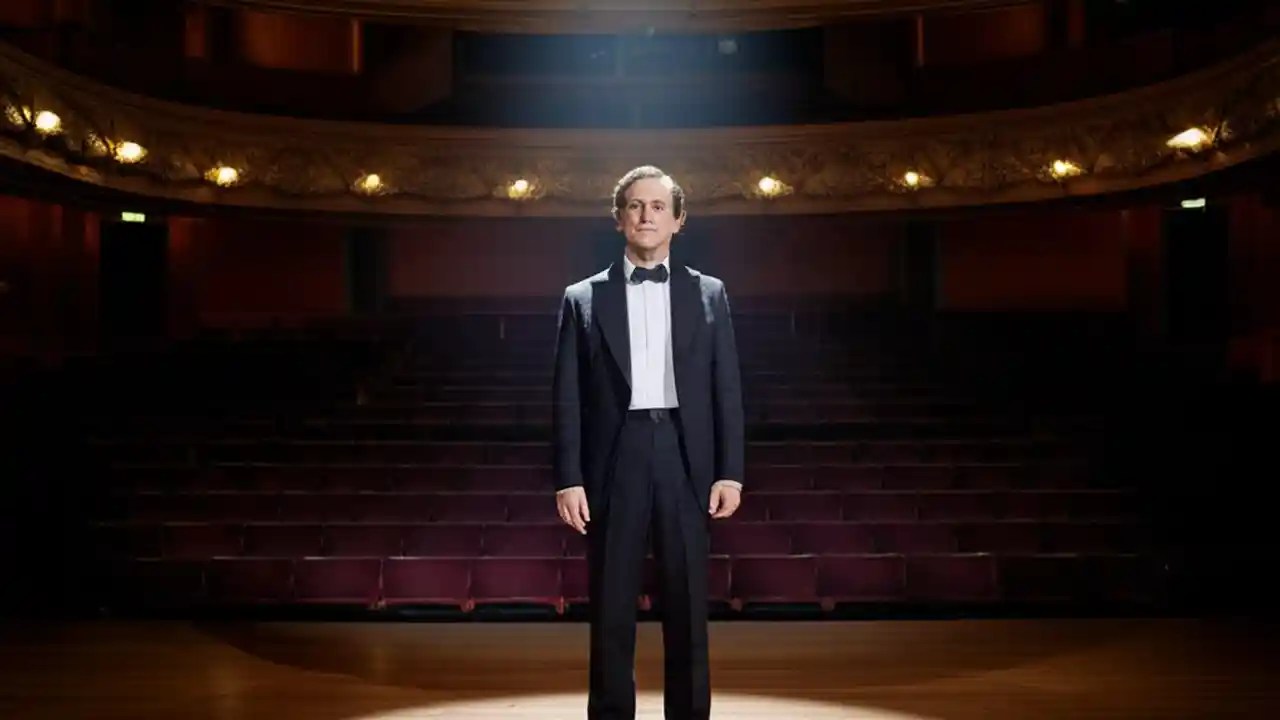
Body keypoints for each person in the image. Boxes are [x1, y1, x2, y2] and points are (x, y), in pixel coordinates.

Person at [552, 165, 745, 720]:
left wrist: (730, 470)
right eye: (635, 205)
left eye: (658, 206)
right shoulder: (581, 297)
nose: (645, 215)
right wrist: (569, 477)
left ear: (678, 220)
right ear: (618, 219)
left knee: (687, 603)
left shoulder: (709, 293)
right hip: (615, 458)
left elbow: (726, 386)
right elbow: (566, 395)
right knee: (612, 603)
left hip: (685, 456)